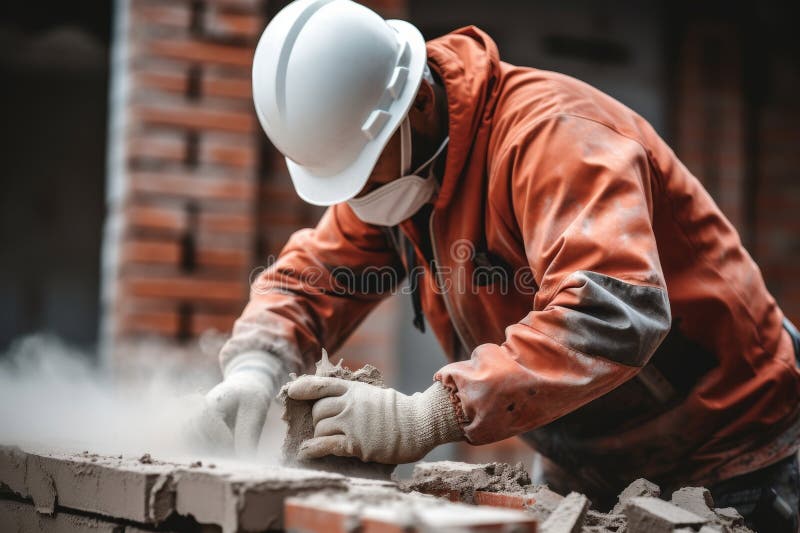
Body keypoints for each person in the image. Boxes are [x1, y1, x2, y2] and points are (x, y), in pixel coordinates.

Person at [194, 0, 800, 529]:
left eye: (363, 170)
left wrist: (429, 413)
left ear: (419, 102)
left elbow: (614, 314)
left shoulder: (553, 137)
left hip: (729, 447)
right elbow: (311, 278)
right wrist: (256, 363)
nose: (358, 195)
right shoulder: (402, 173)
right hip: (589, 458)